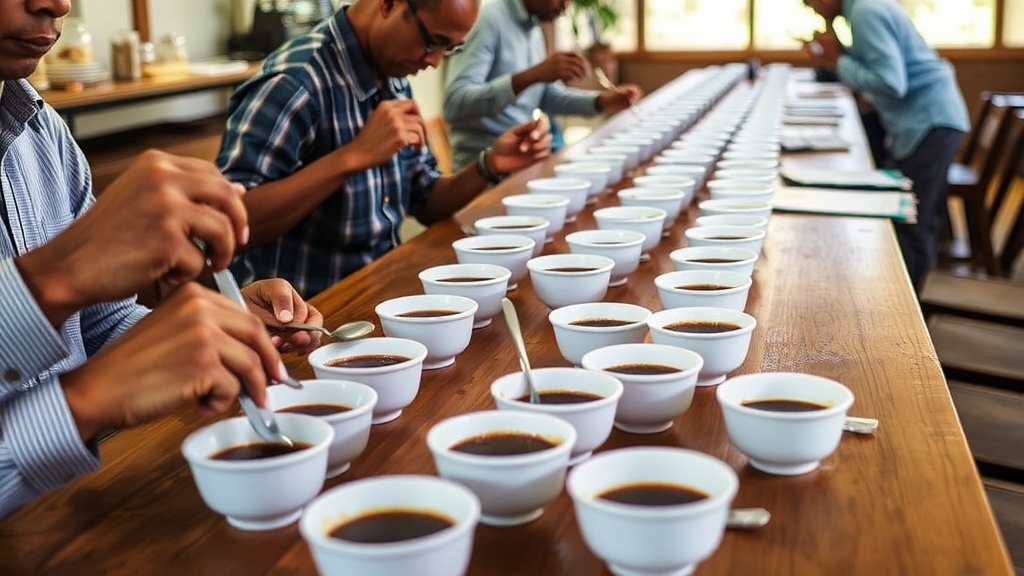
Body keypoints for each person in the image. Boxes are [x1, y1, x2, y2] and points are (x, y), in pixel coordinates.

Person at [0, 0, 322, 517]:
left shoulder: (44, 134)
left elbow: (103, 325)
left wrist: (209, 332)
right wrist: (80, 398)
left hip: (90, 507)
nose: (57, 4)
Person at [217, 0, 553, 298]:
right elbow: (230, 225)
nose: (435, 62)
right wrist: (353, 156)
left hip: (382, 291)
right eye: (434, 42)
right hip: (309, 318)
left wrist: (490, 164)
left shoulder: (393, 77)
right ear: (389, 5)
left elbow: (425, 200)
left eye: (449, 49)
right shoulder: (294, 82)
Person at [801, 0, 969, 292]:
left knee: (910, 224)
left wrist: (837, 61)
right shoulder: (863, 9)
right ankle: (918, 308)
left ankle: (913, 319)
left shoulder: (866, 11)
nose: (806, 5)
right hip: (927, 120)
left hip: (928, 120)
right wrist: (840, 54)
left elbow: (891, 82)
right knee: (915, 222)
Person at [443, 0, 643, 172]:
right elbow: (454, 104)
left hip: (522, 162)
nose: (566, 4)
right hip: (482, 172)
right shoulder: (488, 20)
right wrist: (532, 75)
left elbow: (546, 97)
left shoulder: (533, 27)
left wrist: (601, 101)